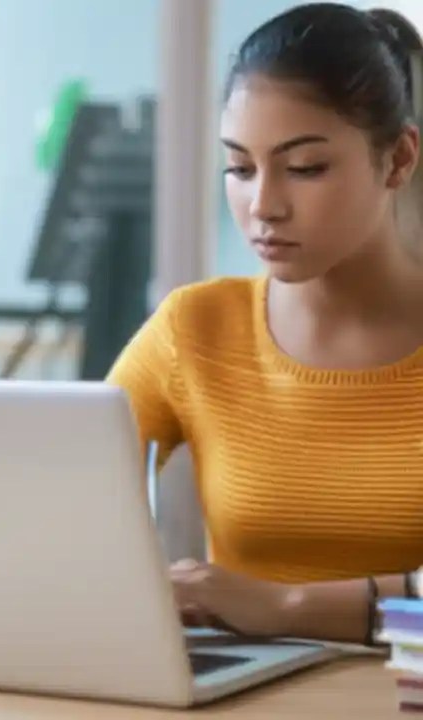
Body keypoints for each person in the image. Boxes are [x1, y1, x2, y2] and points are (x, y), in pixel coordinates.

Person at [109, 3, 423, 646]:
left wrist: (287, 606)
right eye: (240, 167)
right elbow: (50, 494)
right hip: (246, 702)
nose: (262, 207)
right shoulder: (193, 328)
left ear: (397, 160)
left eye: (305, 167)